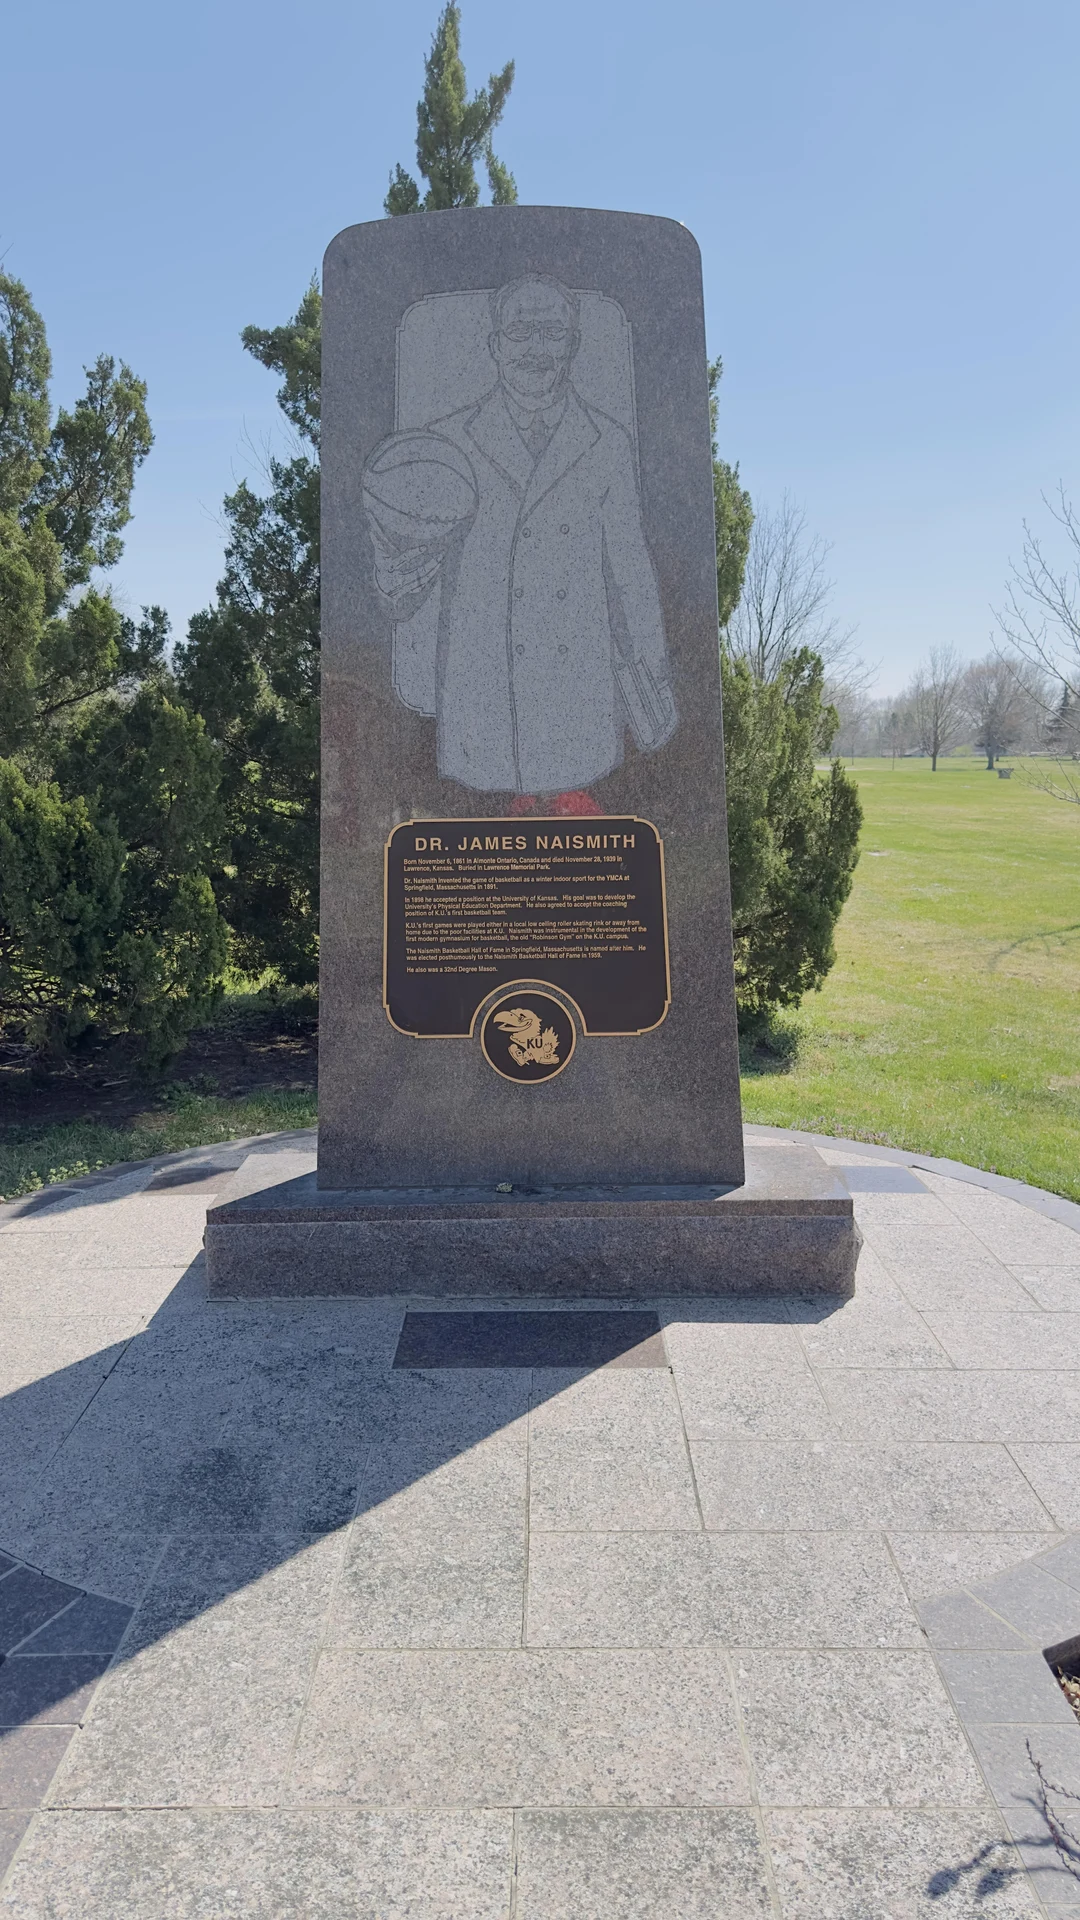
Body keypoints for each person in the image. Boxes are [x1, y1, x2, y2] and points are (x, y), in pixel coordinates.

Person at [364, 273, 676, 800]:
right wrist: (395, 575)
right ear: (494, 345)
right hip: (482, 710)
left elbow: (631, 568)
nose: (537, 348)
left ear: (574, 345)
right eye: (520, 332)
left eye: (553, 333)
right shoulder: (444, 443)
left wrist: (656, 670)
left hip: (577, 705)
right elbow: (401, 592)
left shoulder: (607, 443)